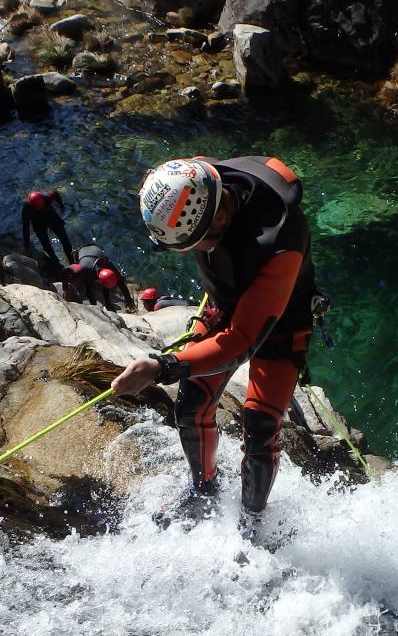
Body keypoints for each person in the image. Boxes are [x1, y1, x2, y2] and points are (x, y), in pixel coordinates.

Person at [112, 155, 315, 532]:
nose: (195, 252)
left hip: (280, 325)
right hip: (225, 304)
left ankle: (253, 522)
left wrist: (163, 366)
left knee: (259, 429)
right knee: (190, 406)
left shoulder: (280, 242)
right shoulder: (199, 177)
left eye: (197, 242)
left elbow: (241, 340)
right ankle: (204, 489)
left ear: (219, 218)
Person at [19, 189, 74, 274]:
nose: (40, 207)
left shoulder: (46, 197)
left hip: (49, 214)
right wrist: (27, 245)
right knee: (45, 243)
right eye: (38, 207)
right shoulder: (26, 209)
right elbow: (25, 228)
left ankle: (72, 261)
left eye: (41, 205)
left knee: (64, 238)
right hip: (37, 222)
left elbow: (56, 194)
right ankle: (57, 263)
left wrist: (61, 205)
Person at [66, 241, 126, 310]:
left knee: (99, 285)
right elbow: (65, 270)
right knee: (88, 285)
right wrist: (65, 288)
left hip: (95, 249)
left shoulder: (108, 264)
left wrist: (129, 299)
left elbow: (120, 281)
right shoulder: (84, 268)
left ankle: (108, 304)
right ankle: (96, 305)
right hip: (81, 251)